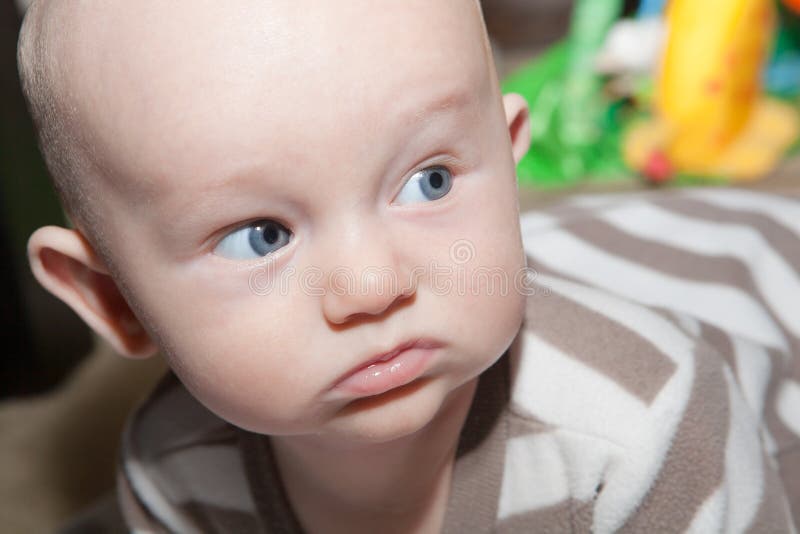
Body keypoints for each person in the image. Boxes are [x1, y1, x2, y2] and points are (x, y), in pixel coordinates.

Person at [17, 0, 800, 532]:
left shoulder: (648, 430)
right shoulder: (172, 475)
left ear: (508, 154)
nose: (372, 285)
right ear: (113, 299)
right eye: (260, 235)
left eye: (429, 180)